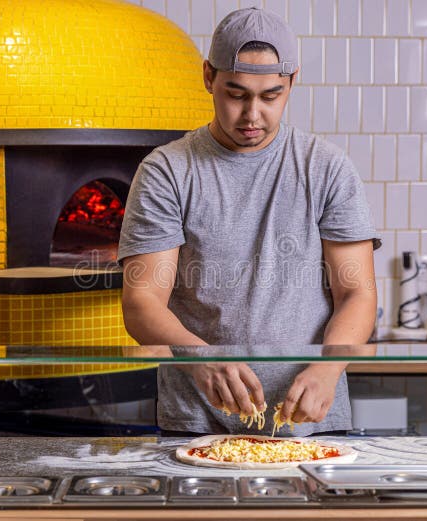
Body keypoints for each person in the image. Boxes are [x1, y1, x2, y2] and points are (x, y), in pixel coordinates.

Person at [117, 7, 380, 436]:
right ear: (208, 78)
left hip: (310, 420)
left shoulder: (328, 168)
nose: (252, 115)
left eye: (270, 96)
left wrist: (328, 368)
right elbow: (141, 301)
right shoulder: (166, 170)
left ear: (292, 82)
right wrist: (203, 361)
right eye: (236, 94)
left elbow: (357, 292)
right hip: (197, 421)